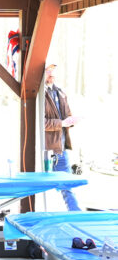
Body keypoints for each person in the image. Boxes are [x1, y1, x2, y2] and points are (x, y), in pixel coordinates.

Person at [43, 62, 81, 211]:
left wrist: (71, 121)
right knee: (38, 187)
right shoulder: (39, 95)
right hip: (45, 150)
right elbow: (41, 122)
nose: (51, 74)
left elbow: (67, 117)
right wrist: (62, 123)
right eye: (48, 71)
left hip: (60, 148)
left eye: (53, 71)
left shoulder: (60, 92)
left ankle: (76, 215)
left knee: (67, 185)